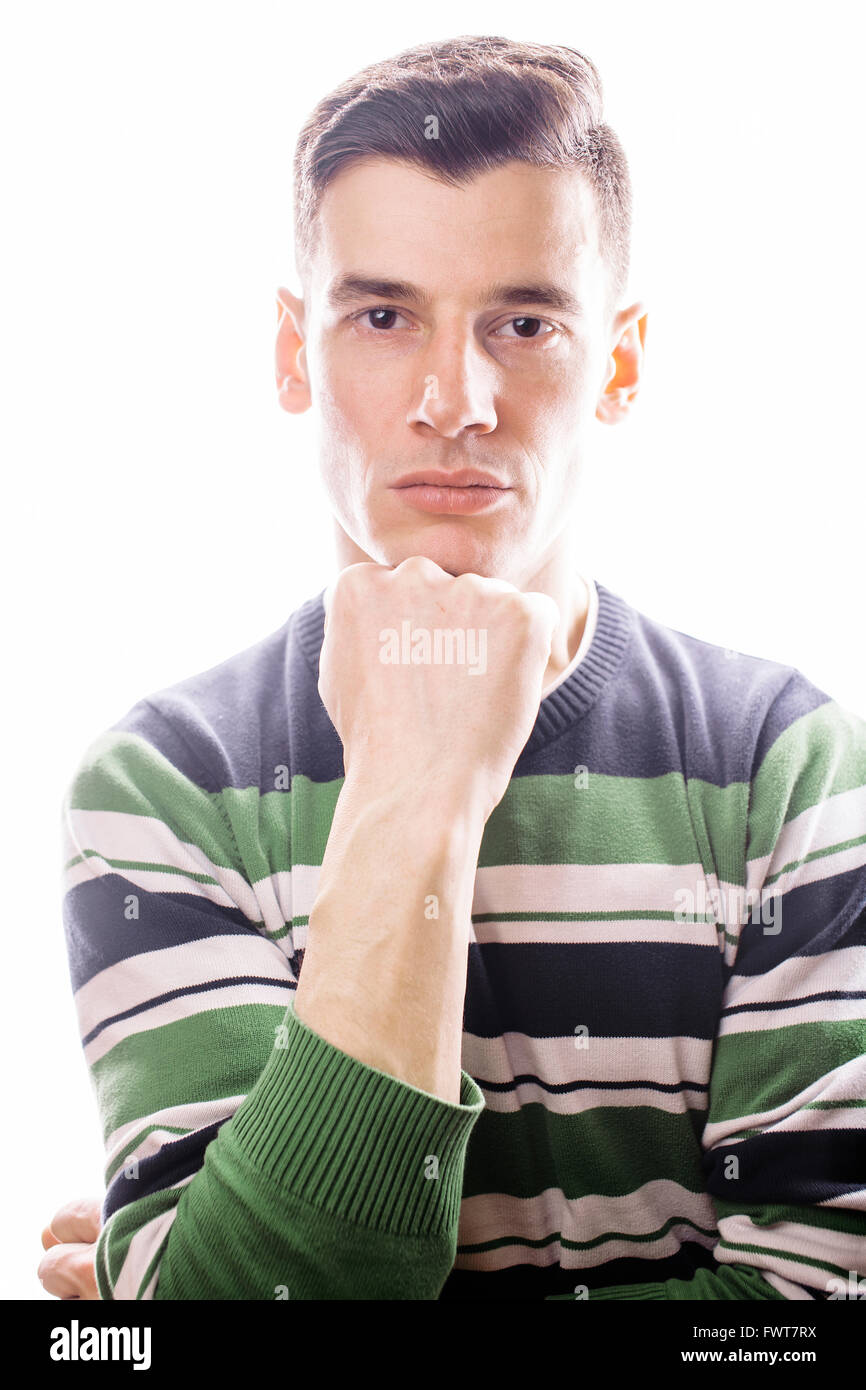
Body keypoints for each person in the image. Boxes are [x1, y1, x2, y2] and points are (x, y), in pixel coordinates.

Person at [39, 33, 866, 1302]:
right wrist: (416, 791)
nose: (454, 399)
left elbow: (810, 1313)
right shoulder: (162, 790)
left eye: (523, 323)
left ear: (618, 362)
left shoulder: (785, 768)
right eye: (382, 316)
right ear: (292, 352)